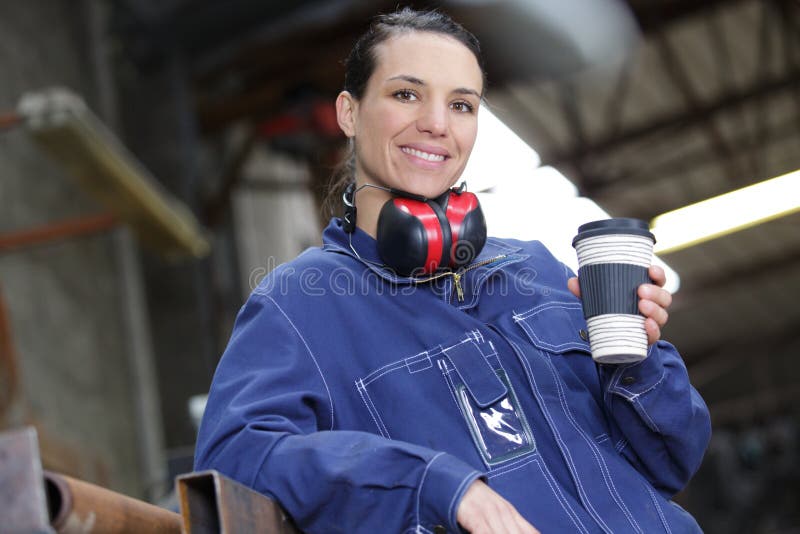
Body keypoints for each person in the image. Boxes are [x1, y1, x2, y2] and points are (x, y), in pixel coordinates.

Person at [194, 7, 711, 533]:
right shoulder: (301, 304)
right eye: (405, 95)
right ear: (349, 113)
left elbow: (671, 460)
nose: (437, 125)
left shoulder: (537, 269)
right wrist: (434, 486)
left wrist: (637, 362)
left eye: (461, 104)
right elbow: (236, 460)